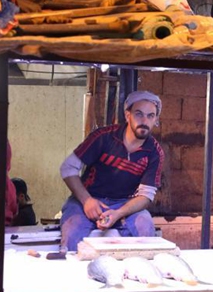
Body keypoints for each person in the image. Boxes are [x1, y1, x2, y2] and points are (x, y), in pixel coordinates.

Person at [59, 90, 165, 252]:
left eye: (150, 116)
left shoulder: (154, 152)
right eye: (139, 114)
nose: (144, 121)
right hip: (86, 199)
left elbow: (146, 196)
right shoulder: (103, 137)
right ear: (127, 115)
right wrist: (87, 200)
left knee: (145, 226)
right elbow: (68, 168)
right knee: (74, 231)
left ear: (156, 119)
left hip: (124, 203)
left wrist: (118, 213)